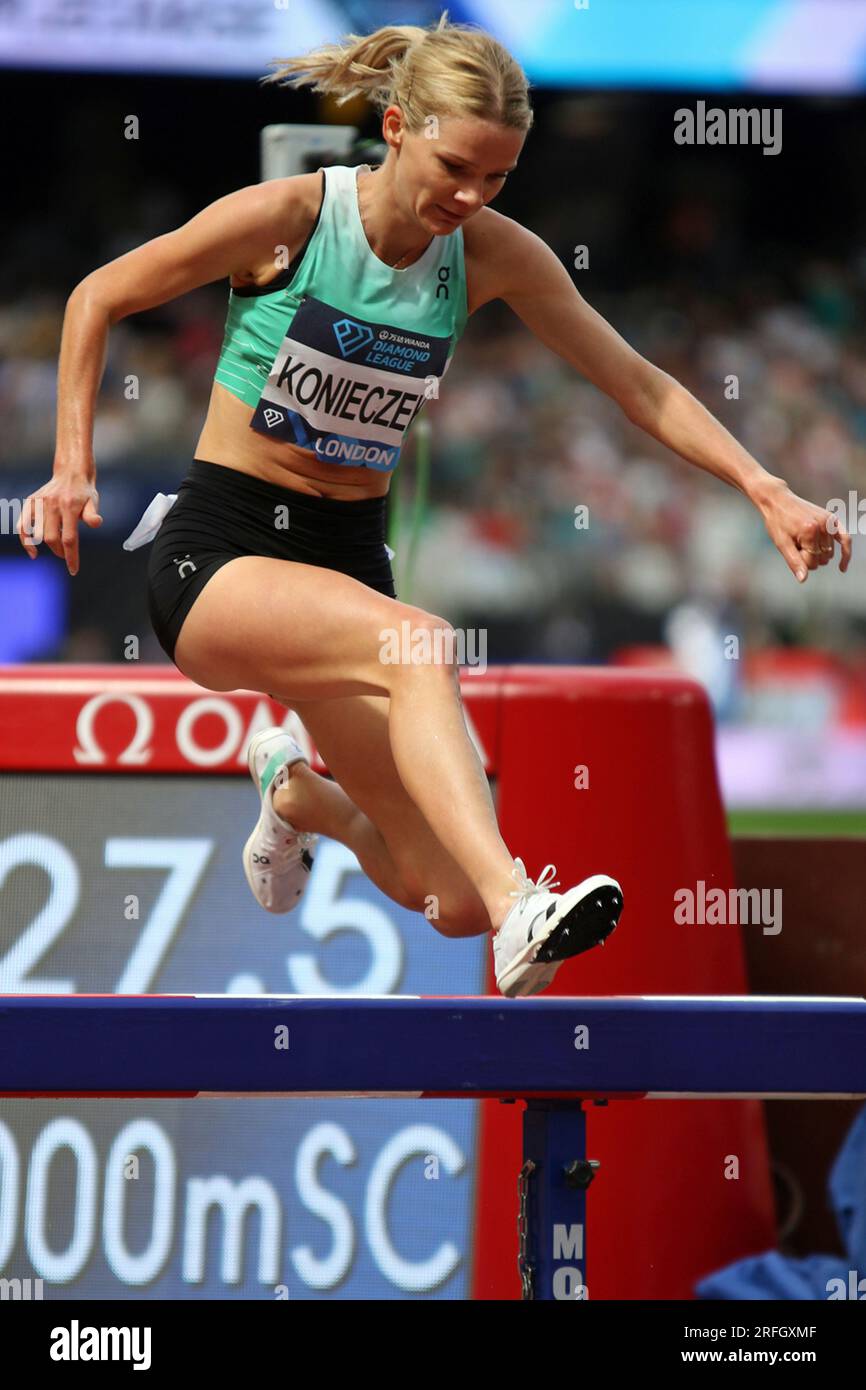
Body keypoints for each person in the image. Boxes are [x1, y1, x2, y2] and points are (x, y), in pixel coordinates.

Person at [18, 14, 850, 998]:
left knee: (438, 895)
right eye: (455, 166)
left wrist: (761, 483)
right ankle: (519, 908)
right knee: (420, 651)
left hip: (345, 565)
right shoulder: (291, 217)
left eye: (496, 178)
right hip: (222, 553)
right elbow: (96, 297)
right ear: (396, 123)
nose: (470, 197)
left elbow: (634, 381)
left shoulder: (492, 255)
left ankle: (293, 788)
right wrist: (72, 468)